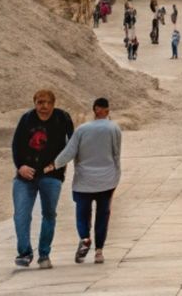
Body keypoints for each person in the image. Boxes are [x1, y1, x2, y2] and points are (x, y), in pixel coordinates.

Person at [54, 96, 122, 265]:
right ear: (107, 111)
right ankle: (99, 251)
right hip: (107, 179)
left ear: (94, 110)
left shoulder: (82, 129)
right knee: (103, 214)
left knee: (82, 213)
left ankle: (85, 238)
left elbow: (69, 152)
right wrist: (116, 174)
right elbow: (116, 154)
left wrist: (53, 165)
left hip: (84, 180)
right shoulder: (114, 128)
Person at [11, 88, 73, 269]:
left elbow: (72, 144)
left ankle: (44, 254)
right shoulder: (27, 119)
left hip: (51, 175)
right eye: (40, 102)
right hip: (25, 175)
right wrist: (20, 166)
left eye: (47, 103)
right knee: (21, 215)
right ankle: (24, 253)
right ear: (34, 103)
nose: (43, 106)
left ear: (53, 104)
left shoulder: (63, 118)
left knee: (49, 214)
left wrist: (57, 165)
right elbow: (16, 145)